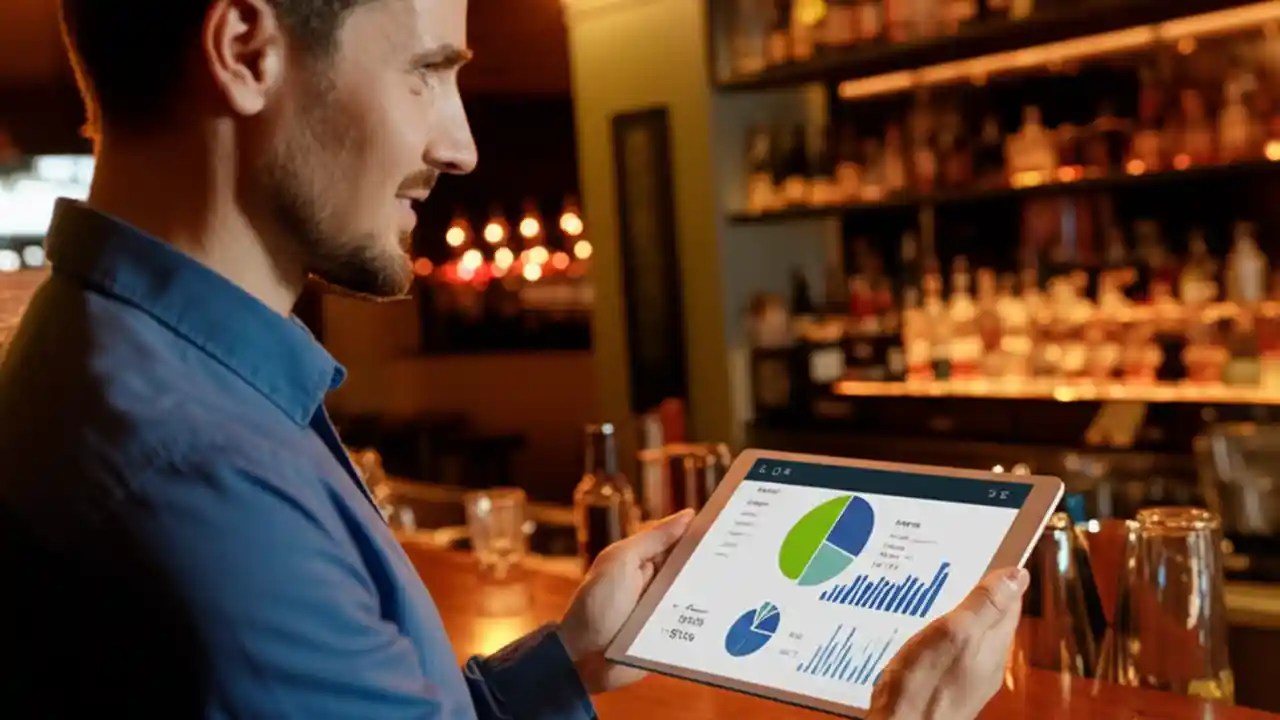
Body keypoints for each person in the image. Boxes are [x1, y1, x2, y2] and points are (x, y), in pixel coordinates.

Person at [0, 0, 1029, 717]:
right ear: (245, 49)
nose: (461, 147)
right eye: (426, 73)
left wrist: (573, 659)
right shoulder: (198, 474)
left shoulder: (119, 359)